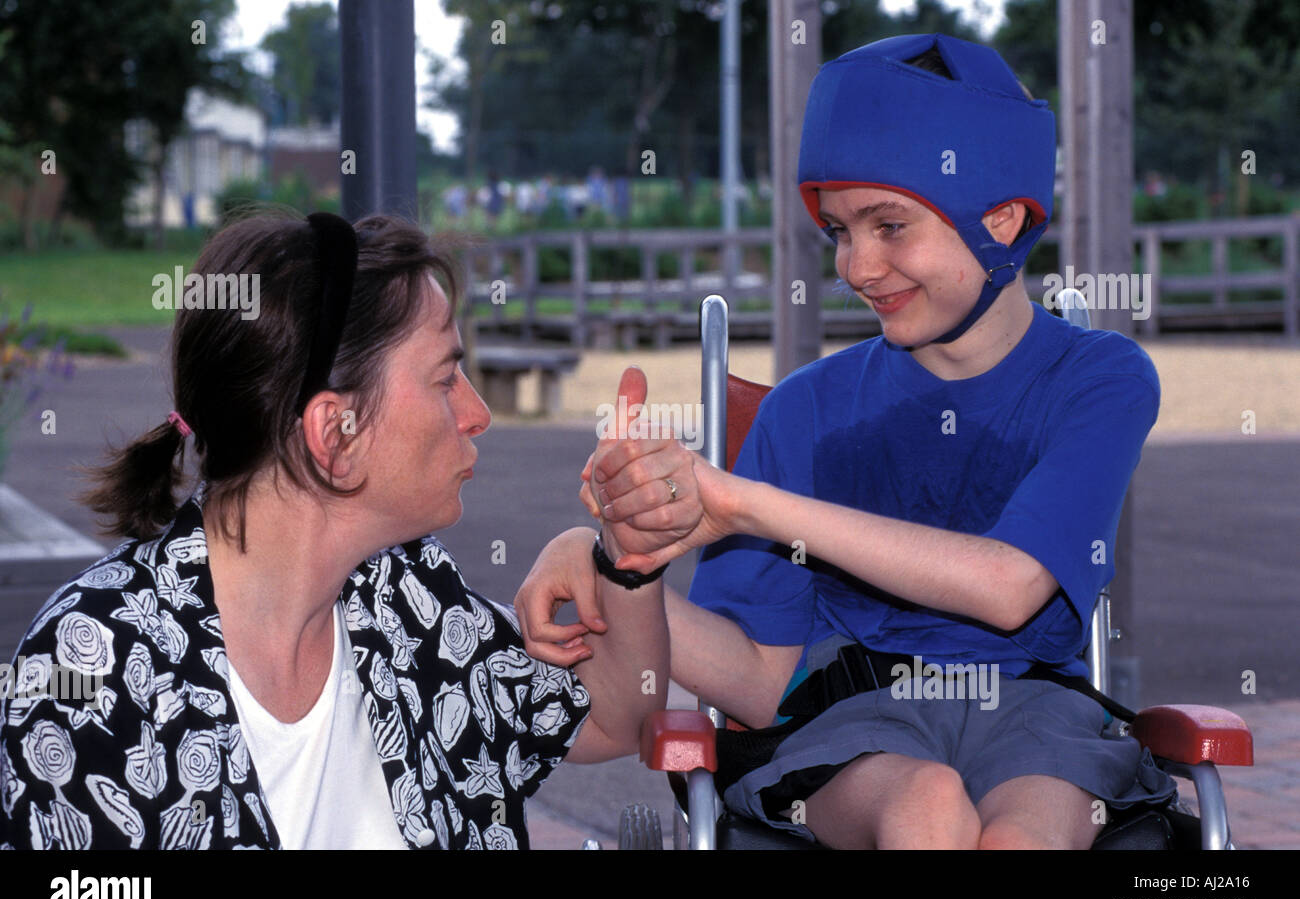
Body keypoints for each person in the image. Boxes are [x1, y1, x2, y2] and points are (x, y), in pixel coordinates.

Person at [519, 33, 1177, 849]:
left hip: (1039, 719)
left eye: (889, 225)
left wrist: (749, 505)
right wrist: (613, 559)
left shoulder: (1100, 380)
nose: (857, 266)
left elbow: (1010, 587)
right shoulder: (806, 412)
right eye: (837, 230)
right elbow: (760, 681)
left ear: (1001, 221)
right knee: (924, 808)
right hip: (854, 725)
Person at [0, 210, 698, 850]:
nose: (478, 413)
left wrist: (625, 559)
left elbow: (613, 717)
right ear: (336, 433)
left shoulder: (403, 591)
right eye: (446, 378)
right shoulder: (93, 667)